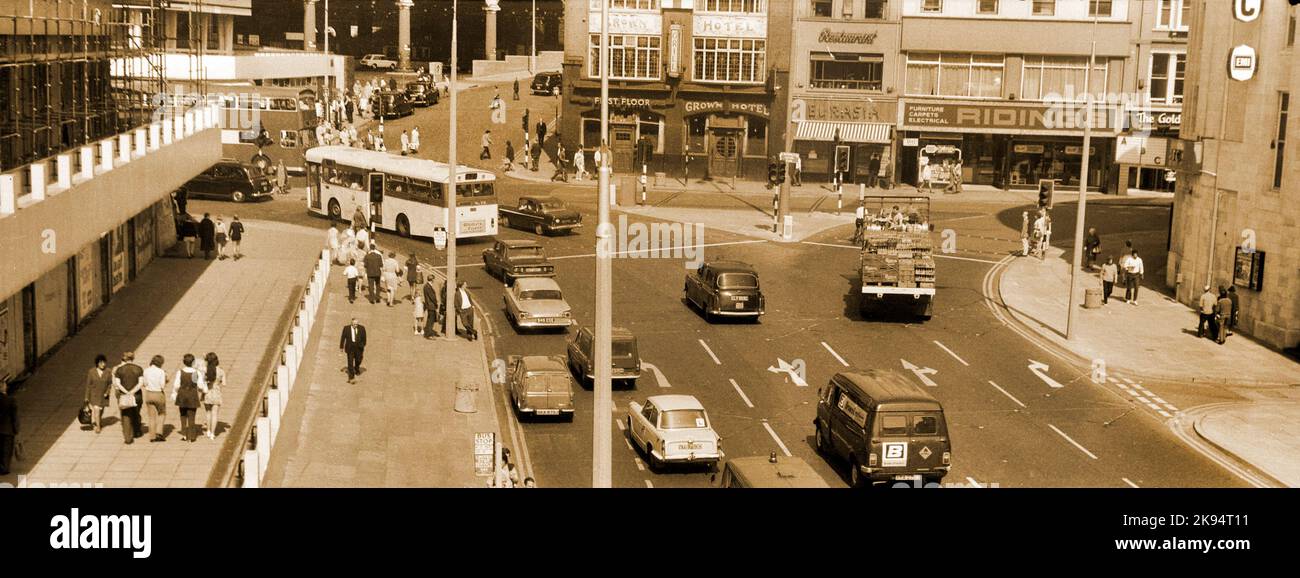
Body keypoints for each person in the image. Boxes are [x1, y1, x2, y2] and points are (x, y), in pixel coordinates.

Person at [171, 354, 207, 443]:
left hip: (182, 395)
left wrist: (175, 392)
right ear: (193, 362)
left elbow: (176, 385)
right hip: (192, 395)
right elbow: (199, 385)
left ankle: (184, 434)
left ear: (184, 362)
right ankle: (191, 436)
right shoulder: (195, 373)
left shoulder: (180, 372)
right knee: (192, 416)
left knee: (183, 415)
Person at [113, 352, 145, 442]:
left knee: (126, 415)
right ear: (133, 358)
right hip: (137, 395)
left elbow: (117, 384)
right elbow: (140, 383)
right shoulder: (139, 369)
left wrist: (126, 392)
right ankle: (136, 431)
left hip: (124, 395)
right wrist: (132, 392)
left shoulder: (119, 370)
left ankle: (128, 437)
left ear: (124, 358)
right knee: (136, 412)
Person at [83, 354, 113, 434]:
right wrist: (86, 397)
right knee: (96, 410)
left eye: (104, 362)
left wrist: (107, 392)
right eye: (101, 363)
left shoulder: (108, 371)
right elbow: (88, 385)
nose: (103, 364)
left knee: (101, 410)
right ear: (97, 363)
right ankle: (98, 427)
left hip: (103, 395)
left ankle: (97, 420)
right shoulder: (91, 372)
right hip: (94, 395)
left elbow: (110, 384)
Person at [142, 355, 168, 442]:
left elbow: (144, 383)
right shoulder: (161, 372)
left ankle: (152, 436)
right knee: (162, 413)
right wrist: (166, 379)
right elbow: (162, 385)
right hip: (158, 394)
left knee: (151, 417)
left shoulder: (146, 370)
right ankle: (159, 433)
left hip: (149, 394)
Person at [202, 352, 225, 440]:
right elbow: (224, 383)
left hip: (208, 392)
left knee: (208, 413)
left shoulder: (206, 370)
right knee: (215, 414)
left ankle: (208, 430)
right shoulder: (221, 371)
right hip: (216, 392)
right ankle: (212, 433)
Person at [340, 318, 367, 383]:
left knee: (358, 359)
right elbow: (343, 338)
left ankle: (357, 368)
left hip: (359, 348)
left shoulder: (362, 328)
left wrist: (363, 345)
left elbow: (364, 338)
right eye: (354, 324)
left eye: (357, 324)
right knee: (350, 362)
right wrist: (341, 347)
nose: (356, 325)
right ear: (351, 324)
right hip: (350, 348)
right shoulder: (346, 328)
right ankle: (351, 377)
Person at [0, 380, 17, 475]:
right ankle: (5, 467)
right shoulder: (10, 400)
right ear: (3, 387)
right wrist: (16, 429)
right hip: (7, 430)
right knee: (7, 450)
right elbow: (14, 416)